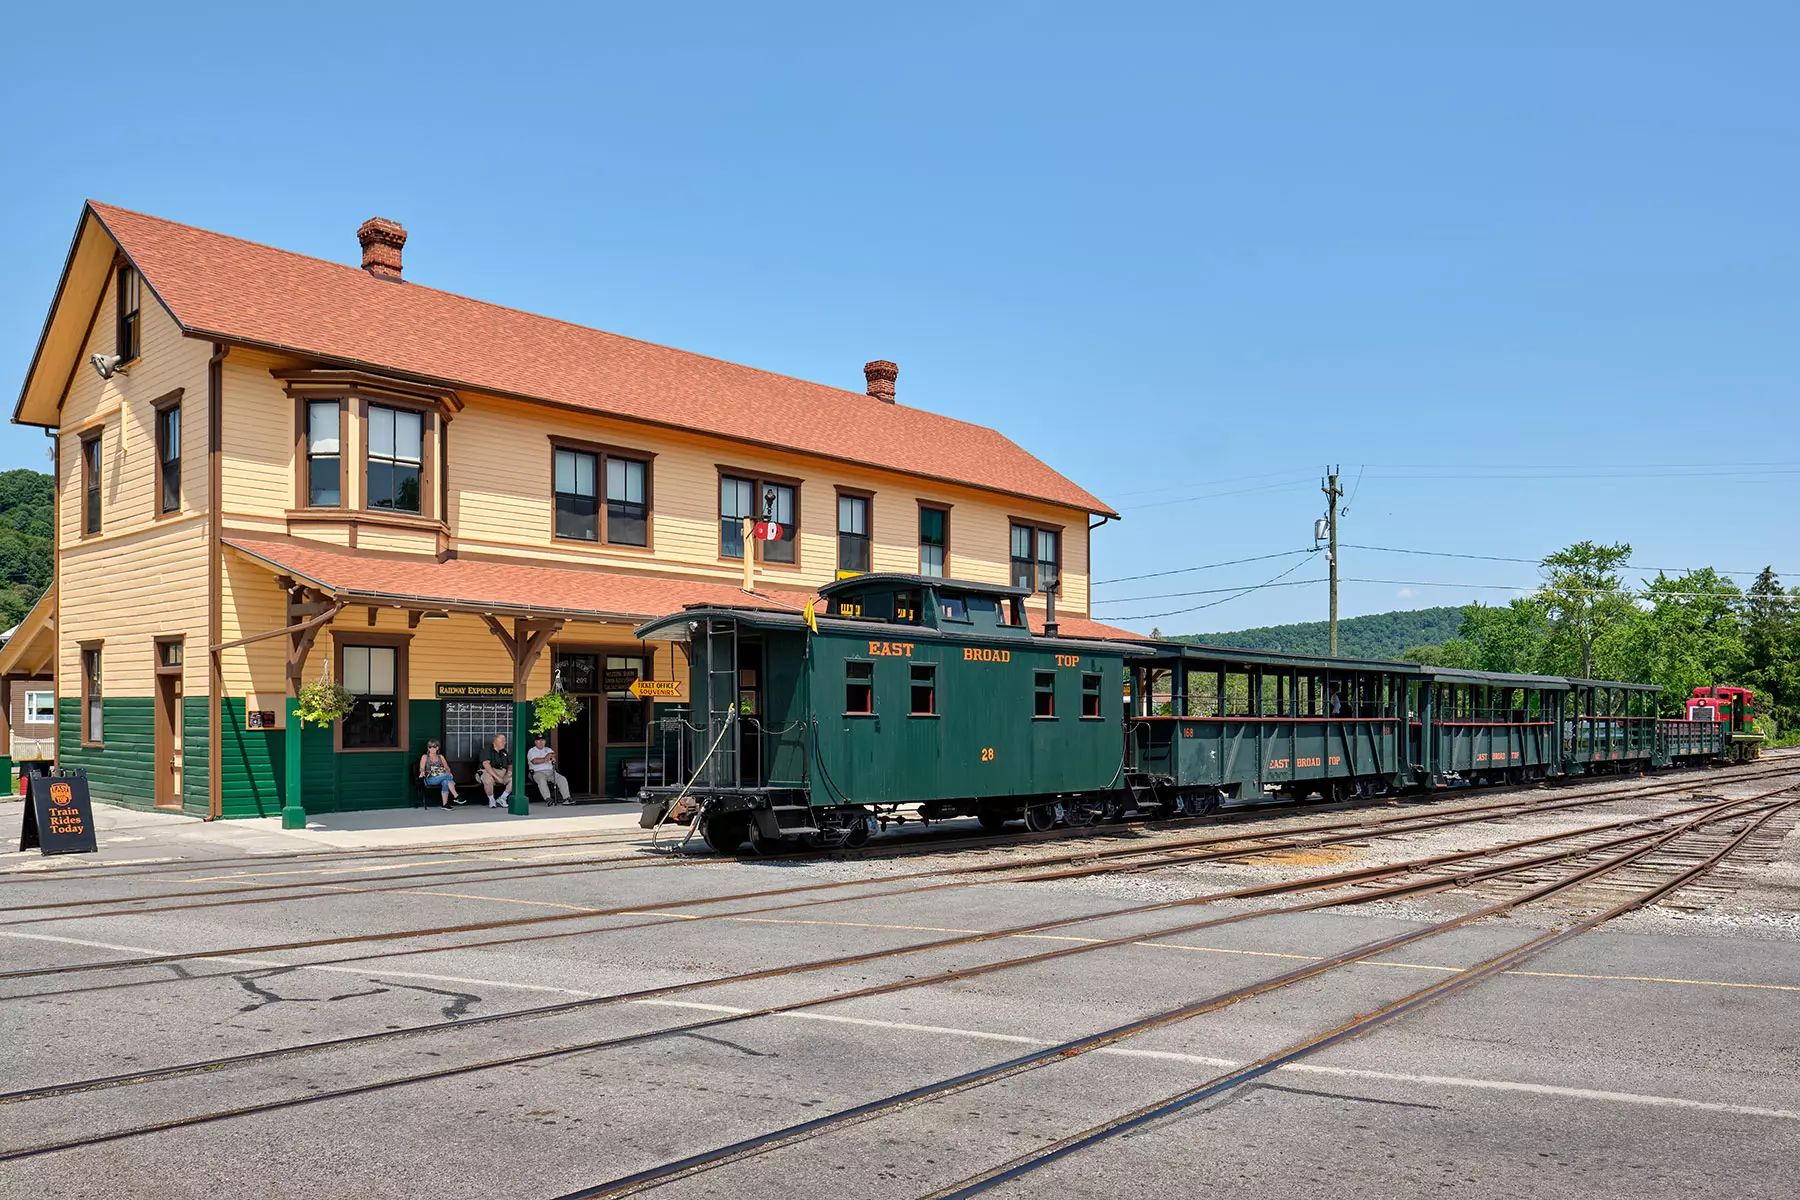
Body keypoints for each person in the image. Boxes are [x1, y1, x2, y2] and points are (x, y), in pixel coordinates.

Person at [527, 735, 571, 805]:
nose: (541, 742)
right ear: (535, 742)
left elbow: (553, 756)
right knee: (541, 780)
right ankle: (548, 798)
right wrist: (546, 758)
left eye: (543, 741)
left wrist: (548, 757)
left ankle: (567, 798)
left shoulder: (548, 749)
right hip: (537, 772)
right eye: (539, 741)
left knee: (562, 779)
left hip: (550, 771)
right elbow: (534, 761)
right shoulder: (532, 751)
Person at [418, 740, 459, 808]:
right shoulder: (425, 757)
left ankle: (445, 804)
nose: (432, 749)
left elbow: (447, 768)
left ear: (437, 747)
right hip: (429, 778)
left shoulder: (440, 757)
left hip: (440, 777)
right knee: (447, 775)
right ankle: (456, 796)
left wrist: (449, 772)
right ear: (428, 748)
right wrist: (422, 771)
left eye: (434, 747)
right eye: (430, 747)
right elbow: (421, 768)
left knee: (445, 781)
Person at [480, 733, 513, 809]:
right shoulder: (487, 749)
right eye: (502, 741)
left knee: (514, 780)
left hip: (502, 772)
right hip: (488, 772)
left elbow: (510, 764)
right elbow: (486, 764)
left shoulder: (504, 751)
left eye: (505, 741)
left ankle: (502, 798)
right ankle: (491, 800)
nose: (504, 742)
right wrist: (497, 777)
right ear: (496, 741)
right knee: (488, 780)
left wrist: (509, 771)